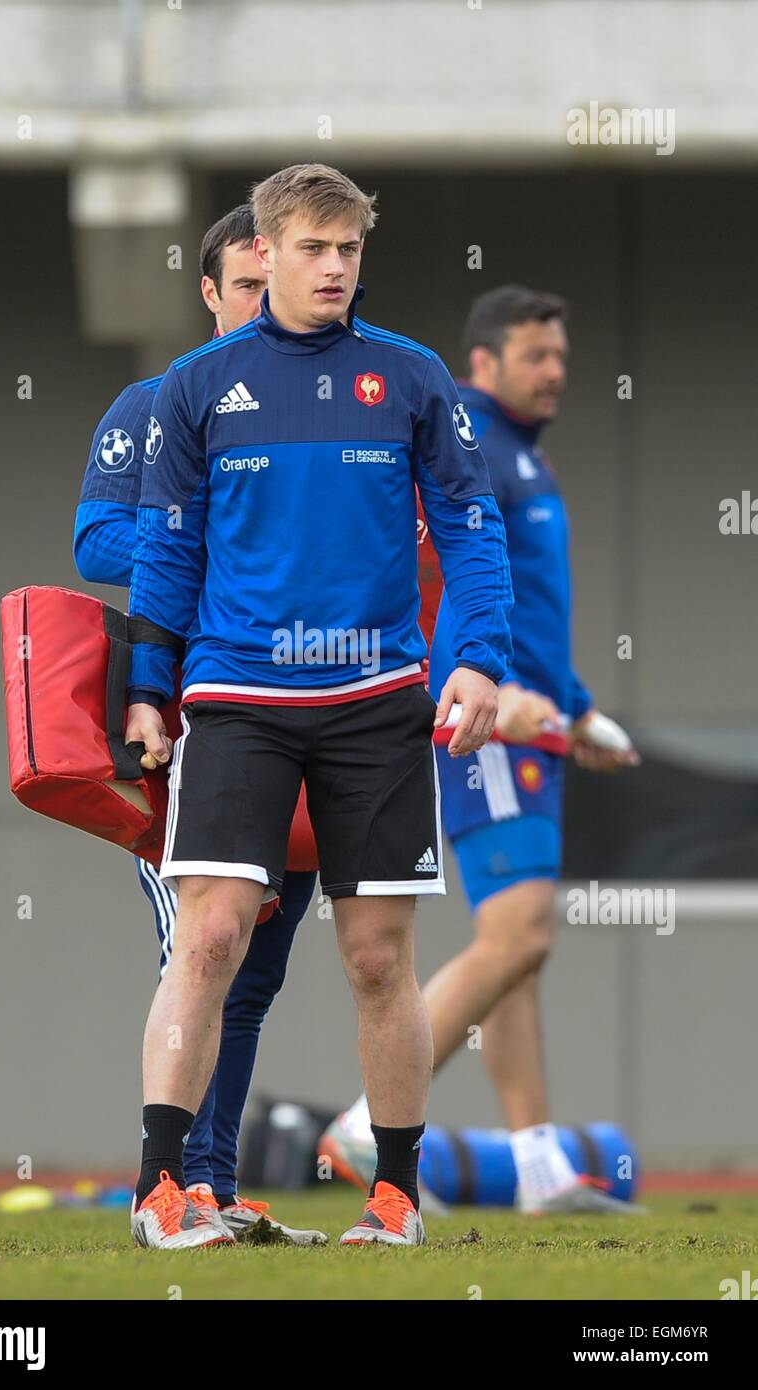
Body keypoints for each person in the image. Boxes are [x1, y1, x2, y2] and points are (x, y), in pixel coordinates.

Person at [124, 163, 513, 1249]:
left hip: (377, 703)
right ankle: (162, 1192)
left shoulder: (414, 376)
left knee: (380, 957)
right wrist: (148, 693)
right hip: (236, 701)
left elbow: (474, 529)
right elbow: (164, 551)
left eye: (350, 249)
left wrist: (477, 657)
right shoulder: (197, 388)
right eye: (314, 247)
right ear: (269, 249)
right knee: (208, 938)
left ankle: (395, 1197)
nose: (335, 266)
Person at [321, 285, 640, 1215]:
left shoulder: (522, 457)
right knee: (520, 934)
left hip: (534, 721)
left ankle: (538, 1163)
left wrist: (575, 711)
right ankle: (356, 1126)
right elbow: (456, 579)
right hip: (490, 719)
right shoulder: (471, 442)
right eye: (536, 356)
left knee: (518, 952)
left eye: (562, 359)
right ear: (484, 362)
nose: (555, 374)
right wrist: (488, 688)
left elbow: (532, 608)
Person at [74, 205, 324, 1244]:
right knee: (203, 940)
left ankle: (211, 1187)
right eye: (249, 288)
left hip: (314, 708)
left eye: (283, 285)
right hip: (182, 714)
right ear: (213, 295)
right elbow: (96, 541)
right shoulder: (156, 400)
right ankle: (164, 1189)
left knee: (260, 969)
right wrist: (219, 516)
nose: (267, 307)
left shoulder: (330, 401)